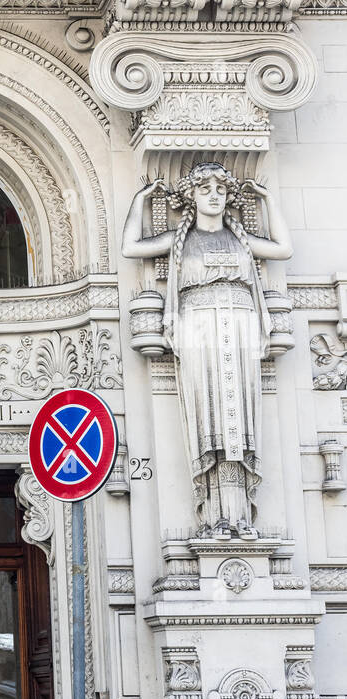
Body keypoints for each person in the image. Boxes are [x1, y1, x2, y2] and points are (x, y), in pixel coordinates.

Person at [121, 163, 292, 539]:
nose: (213, 195)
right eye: (204, 189)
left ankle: (241, 515)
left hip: (241, 326)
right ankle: (215, 515)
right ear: (191, 197)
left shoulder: (241, 239)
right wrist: (139, 201)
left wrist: (267, 201)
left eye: (219, 189)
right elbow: (130, 247)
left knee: (240, 421)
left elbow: (284, 248)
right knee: (209, 420)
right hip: (198, 327)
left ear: (229, 196)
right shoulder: (181, 239)